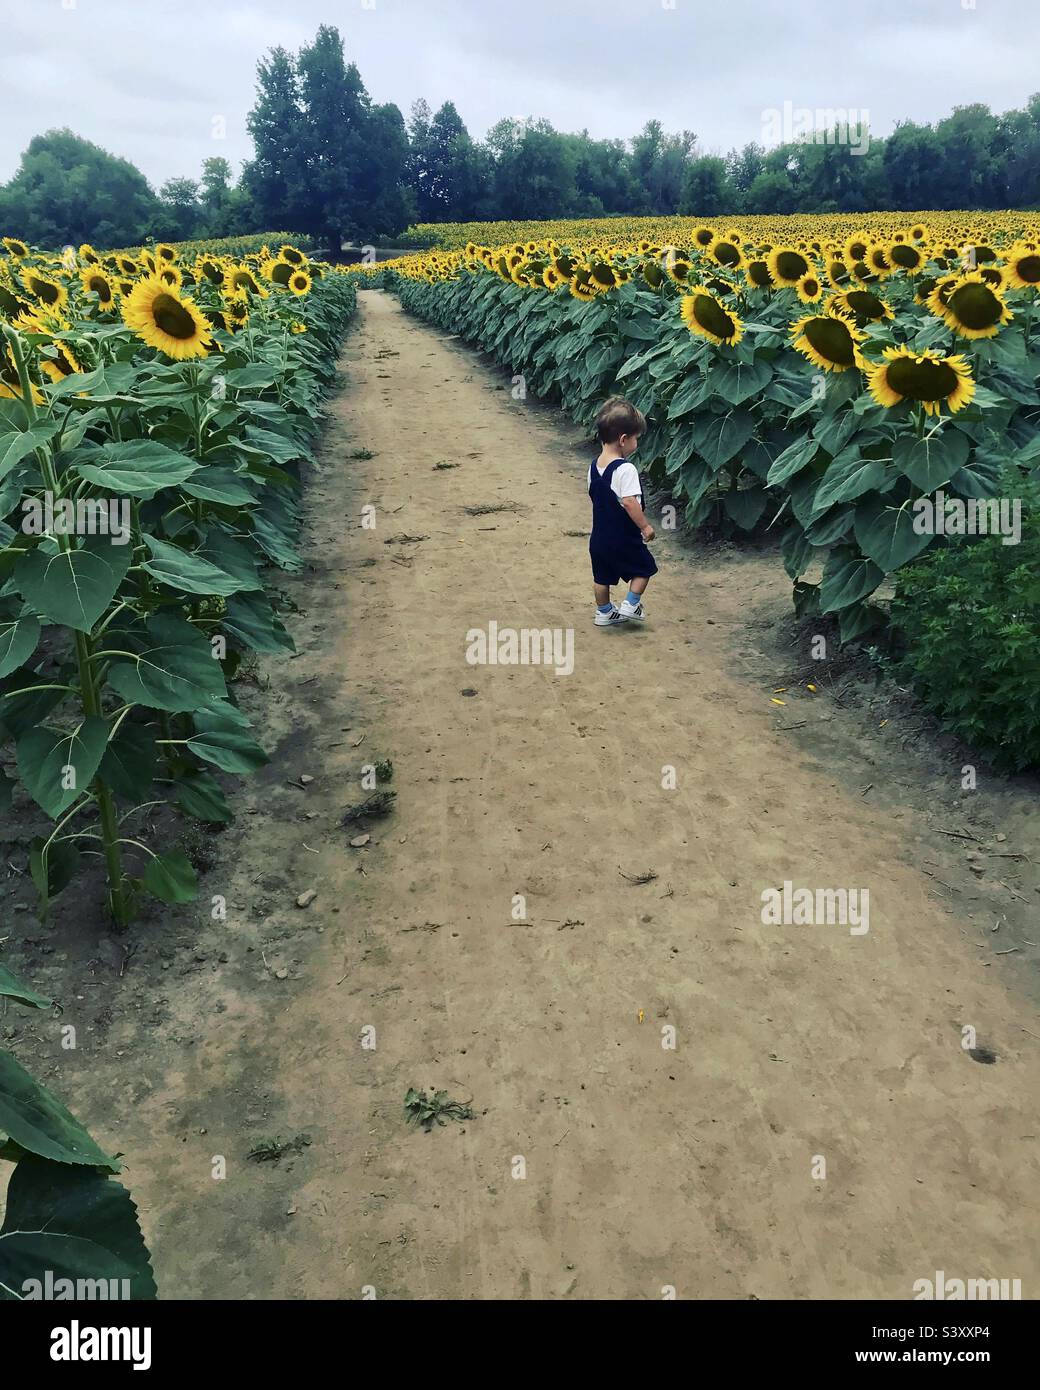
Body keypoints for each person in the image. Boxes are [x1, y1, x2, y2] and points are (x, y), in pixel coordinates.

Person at [587, 396, 657, 625]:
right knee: (644, 567)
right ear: (624, 439)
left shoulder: (594, 467)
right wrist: (645, 526)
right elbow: (629, 502)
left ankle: (604, 612)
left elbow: (594, 495)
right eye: (636, 438)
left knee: (602, 577)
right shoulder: (625, 469)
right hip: (623, 537)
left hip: (599, 538)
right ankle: (631, 604)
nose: (637, 442)